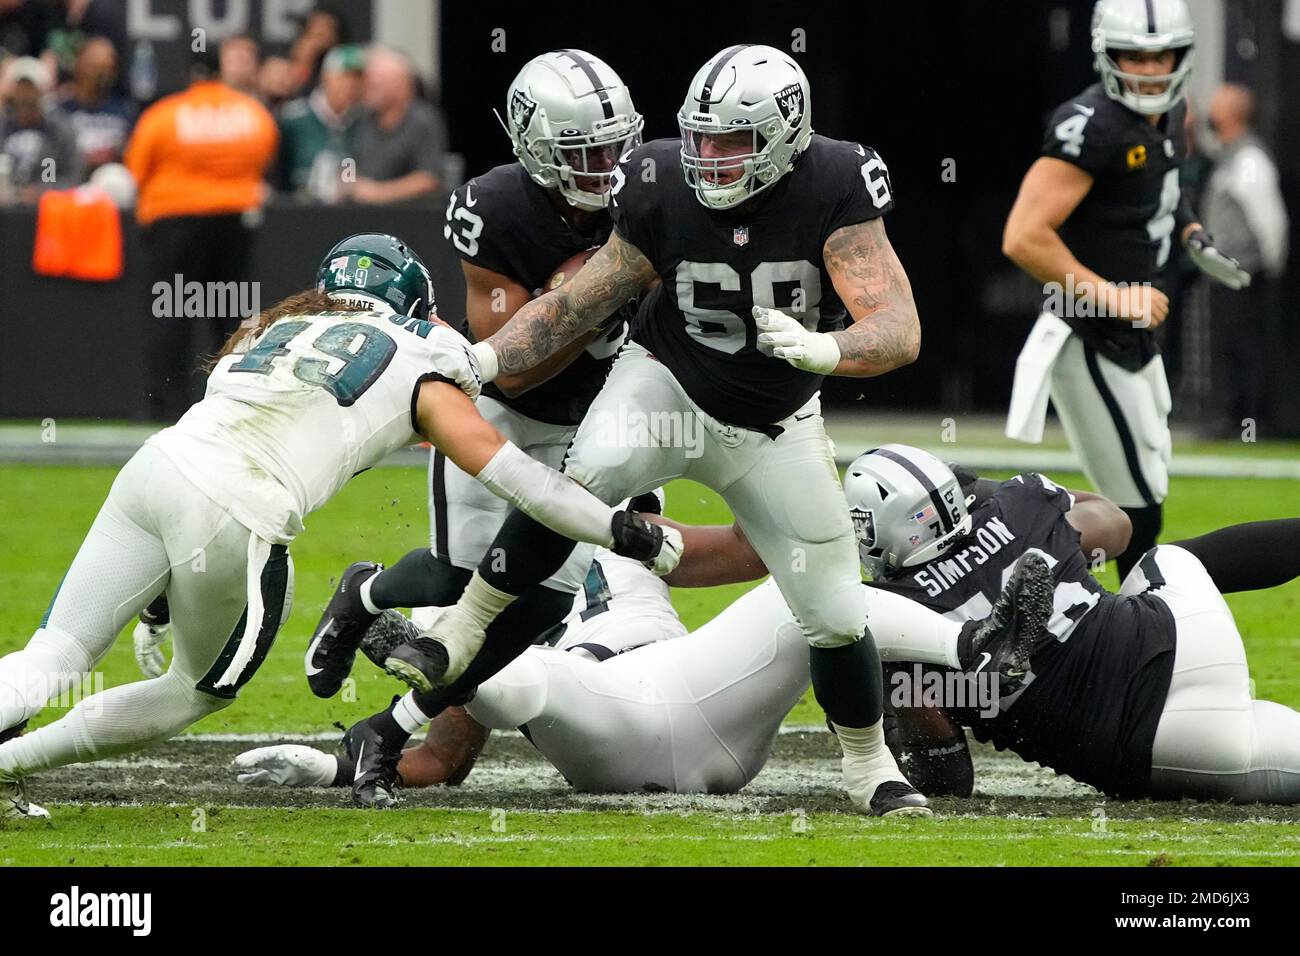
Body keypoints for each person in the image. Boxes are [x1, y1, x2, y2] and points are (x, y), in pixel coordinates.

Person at [342, 43, 931, 817]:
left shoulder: (835, 182)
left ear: (787, 138)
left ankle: (869, 766)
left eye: (732, 143)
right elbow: (578, 303)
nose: (709, 159)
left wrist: (832, 348)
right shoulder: (657, 178)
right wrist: (482, 361)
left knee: (832, 606)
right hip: (664, 383)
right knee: (580, 483)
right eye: (701, 137)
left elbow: (898, 329)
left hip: (774, 419)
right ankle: (464, 627)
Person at [0, 232, 679, 821]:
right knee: (196, 691)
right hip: (237, 510)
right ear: (414, 301)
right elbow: (525, 481)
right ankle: (10, 764)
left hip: (153, 469)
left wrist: (156, 596)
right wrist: (620, 529)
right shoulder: (427, 354)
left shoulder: (267, 330)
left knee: (54, 652)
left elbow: (195, 472)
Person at [305, 52, 643, 757]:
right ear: (534, 146)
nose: (606, 166)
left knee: (547, 598)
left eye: (615, 146)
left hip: (593, 421)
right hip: (500, 411)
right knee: (456, 575)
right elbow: (507, 366)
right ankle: (364, 594)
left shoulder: (649, 190)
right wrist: (587, 311)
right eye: (583, 151)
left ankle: (397, 724)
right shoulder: (495, 210)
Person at [236, 539, 1046, 800]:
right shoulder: (501, 571)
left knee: (801, 594)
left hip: (701, 689)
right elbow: (445, 758)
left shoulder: (625, 525)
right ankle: (396, 634)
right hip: (604, 712)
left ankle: (979, 649)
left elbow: (757, 543)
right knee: (520, 672)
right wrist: (330, 767)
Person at [842, 447, 1300, 804]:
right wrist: (1023, 525)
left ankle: (991, 659)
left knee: (925, 682)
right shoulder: (1018, 507)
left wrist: (892, 728)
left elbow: (946, 779)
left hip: (1172, 748)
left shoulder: (889, 614)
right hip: (1185, 637)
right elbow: (1116, 526)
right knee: (1163, 559)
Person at [1001, 0, 1249, 578]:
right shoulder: (1094, 124)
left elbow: (1160, 191)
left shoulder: (1169, 114)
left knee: (1146, 490)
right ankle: (1045, 594)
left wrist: (1190, 234)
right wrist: (1116, 295)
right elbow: (1023, 237)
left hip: (1132, 333)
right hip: (1088, 331)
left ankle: (1105, 618)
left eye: (1161, 55)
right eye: (1133, 55)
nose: (1149, 69)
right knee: (1135, 506)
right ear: (1105, 55)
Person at [123, 47, 278, 421]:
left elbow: (135, 168)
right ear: (220, 72)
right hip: (234, 223)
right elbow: (266, 155)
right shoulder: (250, 112)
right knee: (232, 312)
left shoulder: (165, 115)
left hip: (174, 222)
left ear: (191, 76)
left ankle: (167, 409)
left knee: (171, 312)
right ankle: (234, 402)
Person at [1202, 83, 1290, 436]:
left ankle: (1252, 426)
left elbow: (1269, 219)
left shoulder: (1249, 158)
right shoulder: (1230, 156)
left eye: (1218, 105)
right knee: (1231, 348)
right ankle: (1235, 420)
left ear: (1232, 114)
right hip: (1227, 272)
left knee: (1247, 349)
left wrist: (1271, 264)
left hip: (1245, 271)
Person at [348, 46, 445, 203]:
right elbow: (349, 162)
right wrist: (350, 182)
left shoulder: (423, 120)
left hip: (410, 215)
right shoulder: (361, 119)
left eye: (375, 85)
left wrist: (379, 193)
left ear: (400, 84)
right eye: (366, 84)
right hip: (362, 214)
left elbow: (429, 178)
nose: (367, 90)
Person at [275, 43, 364, 201]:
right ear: (326, 77)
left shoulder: (364, 123)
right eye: (345, 76)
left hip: (347, 213)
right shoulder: (293, 119)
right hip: (298, 212)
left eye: (358, 78)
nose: (351, 85)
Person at [53, 35, 134, 177]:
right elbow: (46, 156)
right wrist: (47, 186)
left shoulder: (125, 111)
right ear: (79, 65)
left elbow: (134, 154)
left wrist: (117, 154)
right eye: (95, 67)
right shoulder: (59, 109)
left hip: (109, 185)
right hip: (68, 183)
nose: (101, 75)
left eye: (107, 69)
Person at [0, 54, 80, 196]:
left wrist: (42, 191)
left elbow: (72, 176)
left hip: (48, 205)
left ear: (42, 91)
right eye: (21, 87)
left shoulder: (59, 129)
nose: (25, 95)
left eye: (31, 88)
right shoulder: (3, 127)